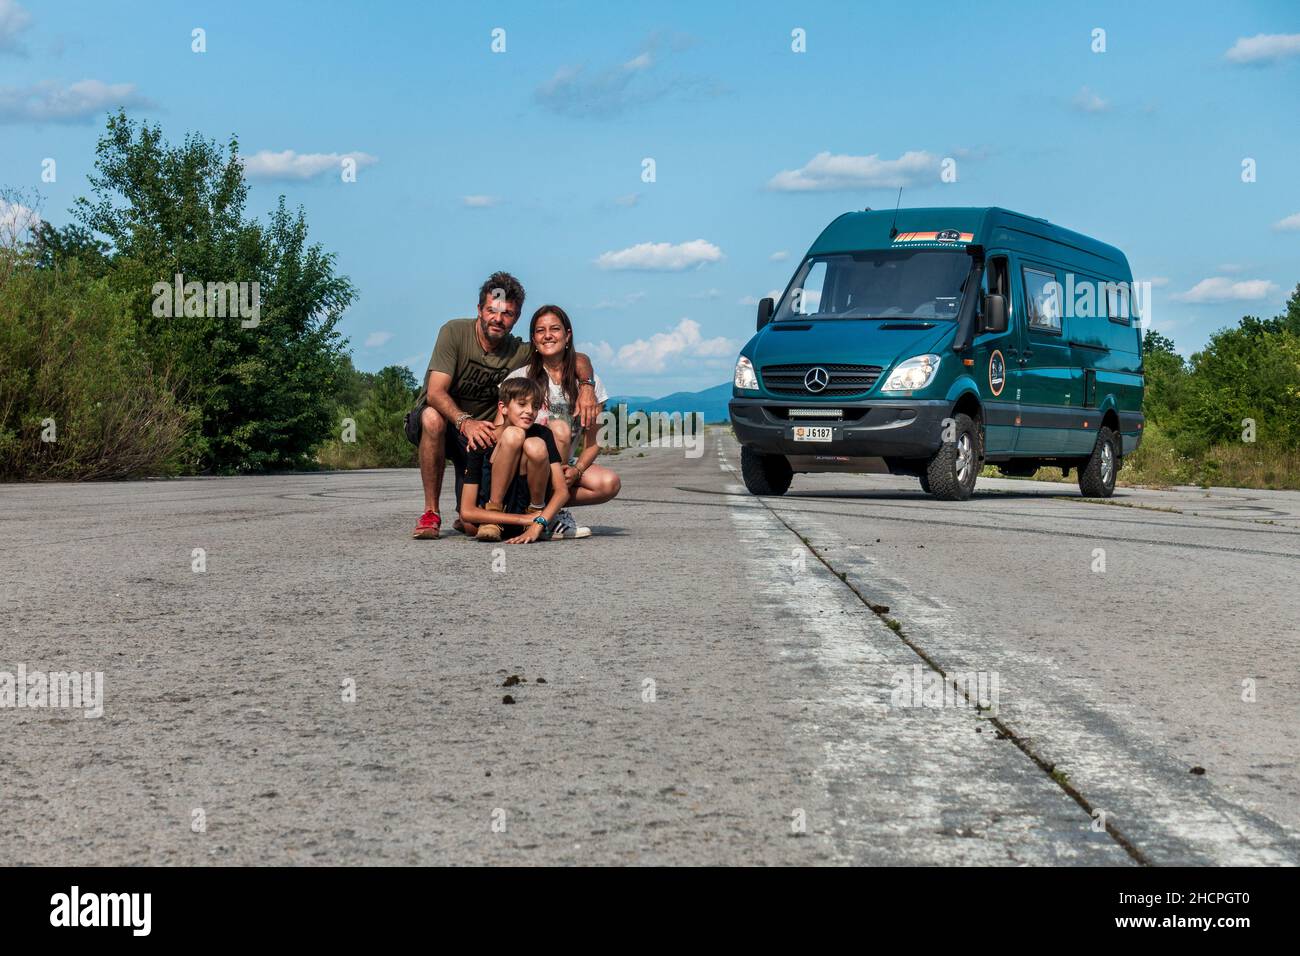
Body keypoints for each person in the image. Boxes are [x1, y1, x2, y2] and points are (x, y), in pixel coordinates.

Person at [408, 272, 598, 539]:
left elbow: (570, 355)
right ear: (479, 310)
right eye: (491, 310)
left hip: (484, 434)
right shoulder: (454, 332)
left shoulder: (519, 351)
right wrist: (466, 422)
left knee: (472, 517)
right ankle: (431, 512)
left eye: (507, 313)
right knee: (432, 418)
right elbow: (435, 393)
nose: (498, 318)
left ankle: (502, 516)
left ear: (516, 318)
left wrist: (587, 386)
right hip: (450, 424)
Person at [504, 305, 620, 537]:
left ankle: (552, 509)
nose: (548, 335)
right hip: (527, 463)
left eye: (555, 329)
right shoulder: (520, 378)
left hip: (563, 463)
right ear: (533, 339)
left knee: (609, 483)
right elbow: (505, 435)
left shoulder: (589, 382)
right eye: (540, 330)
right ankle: (547, 513)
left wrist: (576, 471)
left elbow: (593, 442)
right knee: (559, 429)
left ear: (567, 335)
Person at [458, 377, 568, 544]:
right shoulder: (482, 439)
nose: (530, 411)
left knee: (535, 445)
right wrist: (522, 520)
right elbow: (466, 511)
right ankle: (494, 512)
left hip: (532, 518)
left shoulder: (543, 434)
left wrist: (538, 522)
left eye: (535, 406)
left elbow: (561, 491)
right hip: (493, 519)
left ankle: (535, 507)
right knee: (513, 435)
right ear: (503, 408)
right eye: (522, 404)